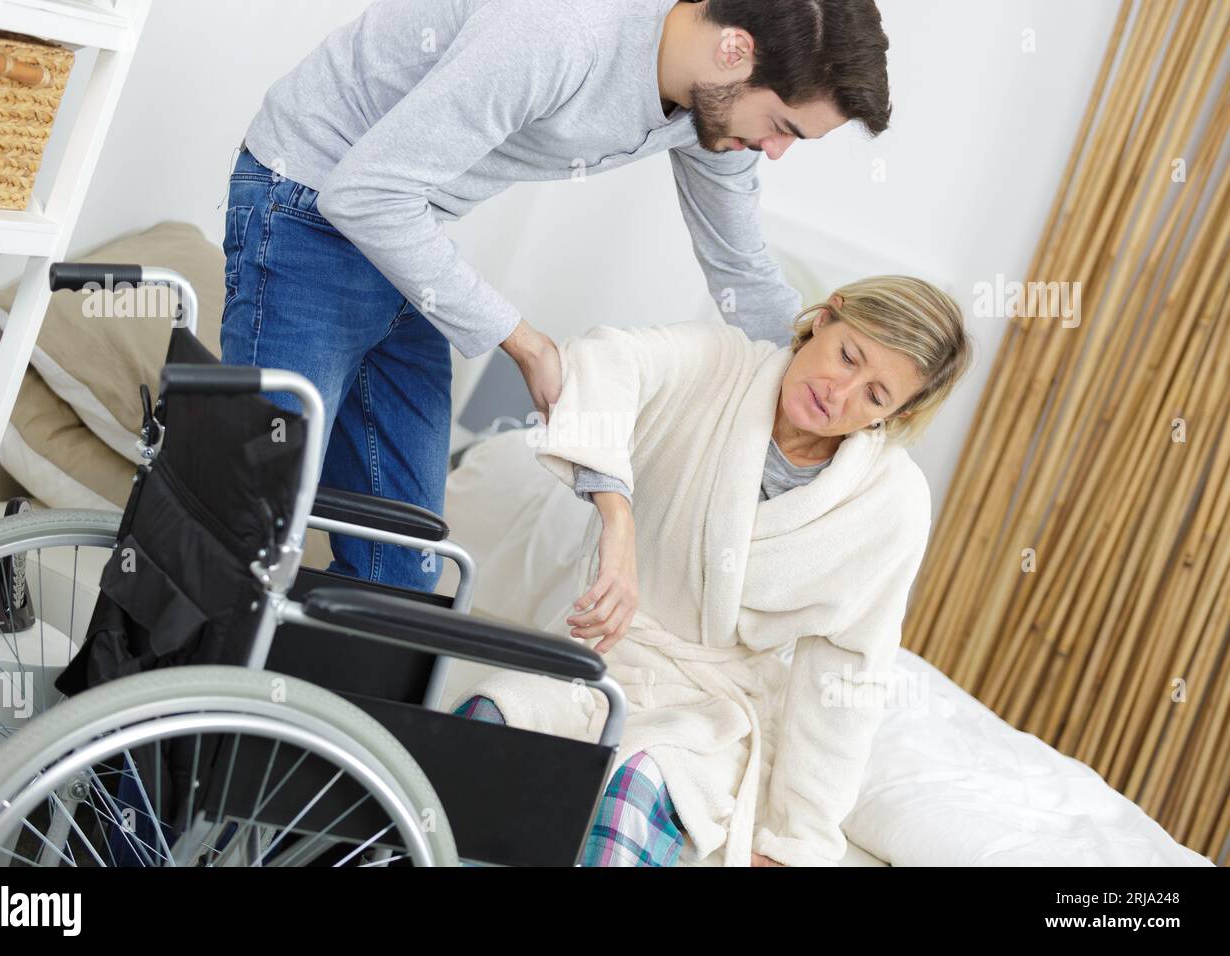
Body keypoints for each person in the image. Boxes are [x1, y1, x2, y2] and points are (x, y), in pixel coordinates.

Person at [219, 0, 891, 590]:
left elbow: (741, 268)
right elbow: (361, 195)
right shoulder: (565, 29)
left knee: (402, 569)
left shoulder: (714, 106)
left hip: (402, 236)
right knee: (247, 528)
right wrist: (525, 342)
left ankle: (306, 733)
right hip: (308, 201)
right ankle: (147, 725)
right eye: (783, 127)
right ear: (734, 49)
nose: (775, 152)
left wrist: (851, 398)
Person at [452, 276, 975, 866]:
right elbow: (604, 360)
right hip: (600, 659)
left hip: (711, 709)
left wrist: (795, 841)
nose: (841, 390)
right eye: (848, 355)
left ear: (894, 416)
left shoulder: (890, 504)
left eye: (876, 396)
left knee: (637, 785)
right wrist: (616, 519)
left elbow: (846, 678)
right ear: (823, 320)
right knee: (487, 723)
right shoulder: (719, 365)